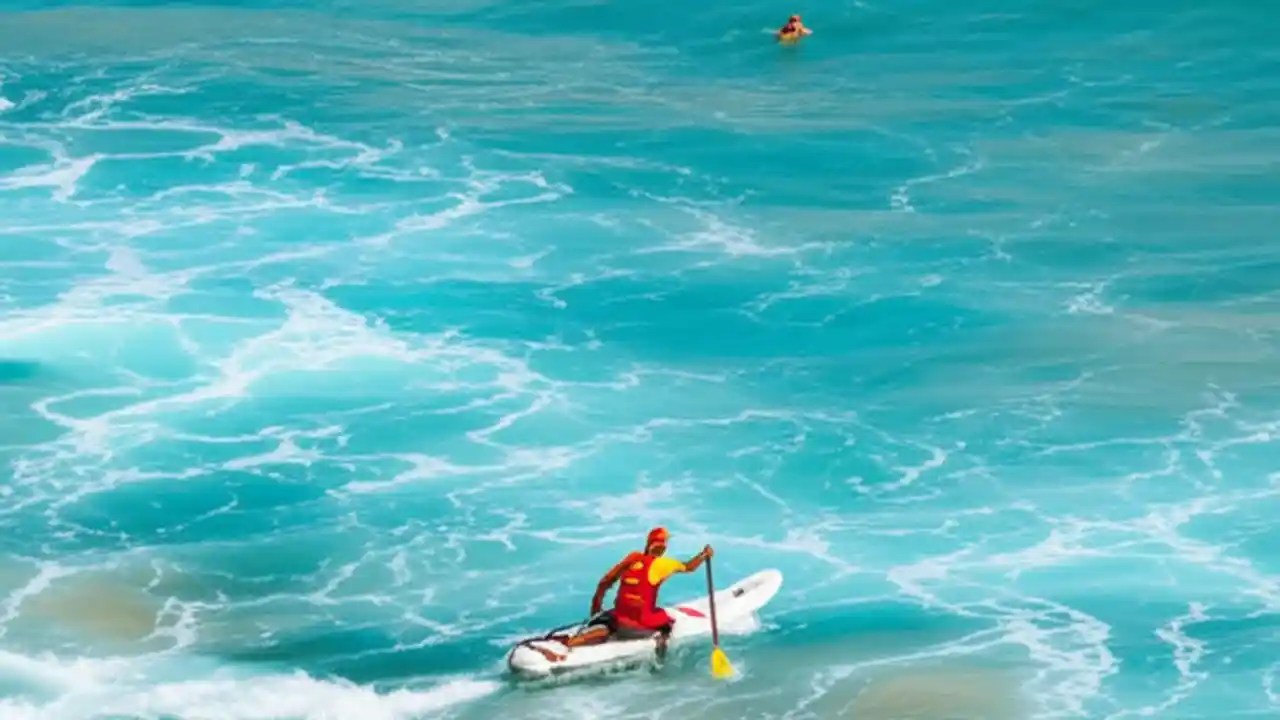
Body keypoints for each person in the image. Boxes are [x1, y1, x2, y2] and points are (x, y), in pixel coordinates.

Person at [565, 527, 713, 660]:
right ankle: (660, 655)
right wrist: (704, 555)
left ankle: (584, 637)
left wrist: (596, 604)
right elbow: (689, 567)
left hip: (619, 620)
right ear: (663, 547)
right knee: (667, 623)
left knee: (610, 616)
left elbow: (606, 580)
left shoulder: (632, 558)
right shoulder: (663, 564)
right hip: (639, 627)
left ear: (648, 544)